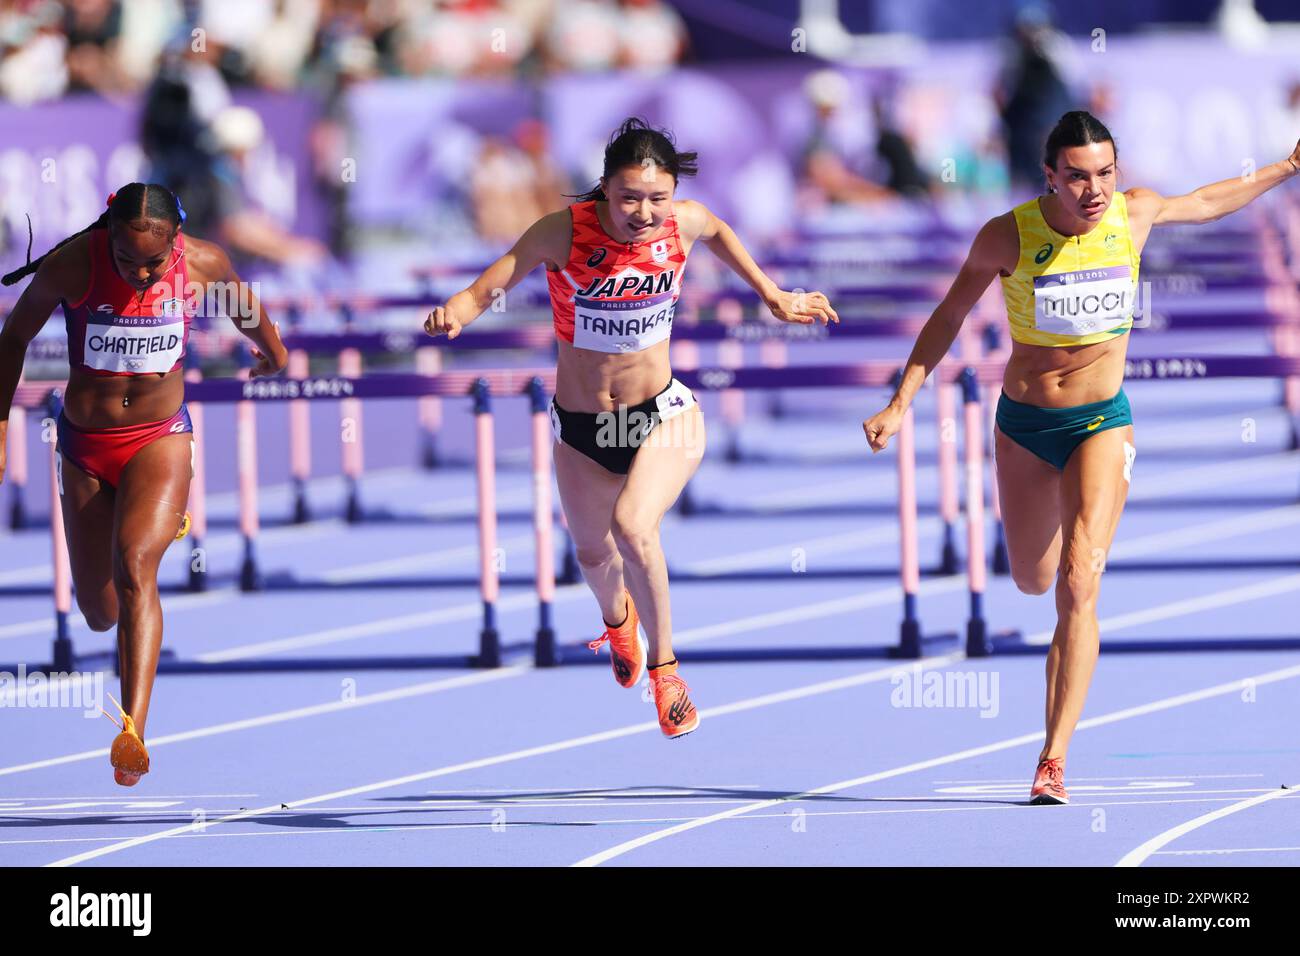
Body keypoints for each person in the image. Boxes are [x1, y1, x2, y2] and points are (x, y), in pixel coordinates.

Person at [863, 111, 1300, 803]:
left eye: (1104, 173)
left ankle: (1053, 757)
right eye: (1077, 177)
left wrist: (1288, 166)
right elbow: (947, 316)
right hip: (1024, 426)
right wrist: (900, 403)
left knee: (1078, 580)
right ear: (1050, 178)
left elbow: (1210, 201)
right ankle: (1068, 532)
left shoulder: (1135, 214)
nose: (1093, 189)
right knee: (1033, 581)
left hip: (1102, 419)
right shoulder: (1008, 234)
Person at [425, 117, 838, 737]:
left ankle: (666, 671)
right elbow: (494, 281)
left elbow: (720, 231)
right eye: (628, 199)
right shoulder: (562, 232)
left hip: (661, 414)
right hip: (584, 426)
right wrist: (456, 311)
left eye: (657, 198)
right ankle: (619, 623)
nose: (643, 212)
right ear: (605, 190)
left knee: (632, 527)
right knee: (592, 551)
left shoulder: (685, 221)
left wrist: (771, 294)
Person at [0, 182, 288, 785]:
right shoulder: (74, 263)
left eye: (151, 264)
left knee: (136, 564)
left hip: (160, 436)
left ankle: (133, 730)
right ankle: (142, 524)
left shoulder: (203, 263)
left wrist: (275, 354)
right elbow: (12, 338)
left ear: (176, 242)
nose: (137, 273)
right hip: (85, 447)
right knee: (100, 612)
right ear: (108, 236)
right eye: (126, 261)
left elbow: (247, 310)